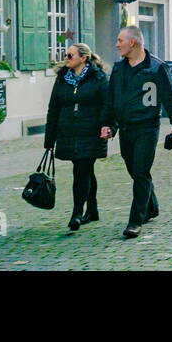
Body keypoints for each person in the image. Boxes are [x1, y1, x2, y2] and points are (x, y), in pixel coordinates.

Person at [100, 25, 172, 238]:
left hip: (147, 128)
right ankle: (152, 206)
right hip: (126, 128)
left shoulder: (156, 67)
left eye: (120, 40)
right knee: (136, 171)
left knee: (140, 171)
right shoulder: (119, 69)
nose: (117, 44)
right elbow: (111, 100)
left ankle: (135, 221)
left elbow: (170, 96)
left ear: (133, 43)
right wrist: (108, 125)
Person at [44, 42, 109, 232]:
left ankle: (77, 213)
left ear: (83, 58)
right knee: (84, 169)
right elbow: (53, 108)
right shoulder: (63, 78)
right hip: (68, 132)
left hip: (91, 132)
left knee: (81, 169)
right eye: (65, 55)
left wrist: (108, 126)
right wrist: (49, 140)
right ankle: (93, 209)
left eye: (70, 56)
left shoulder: (98, 78)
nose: (66, 59)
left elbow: (108, 105)